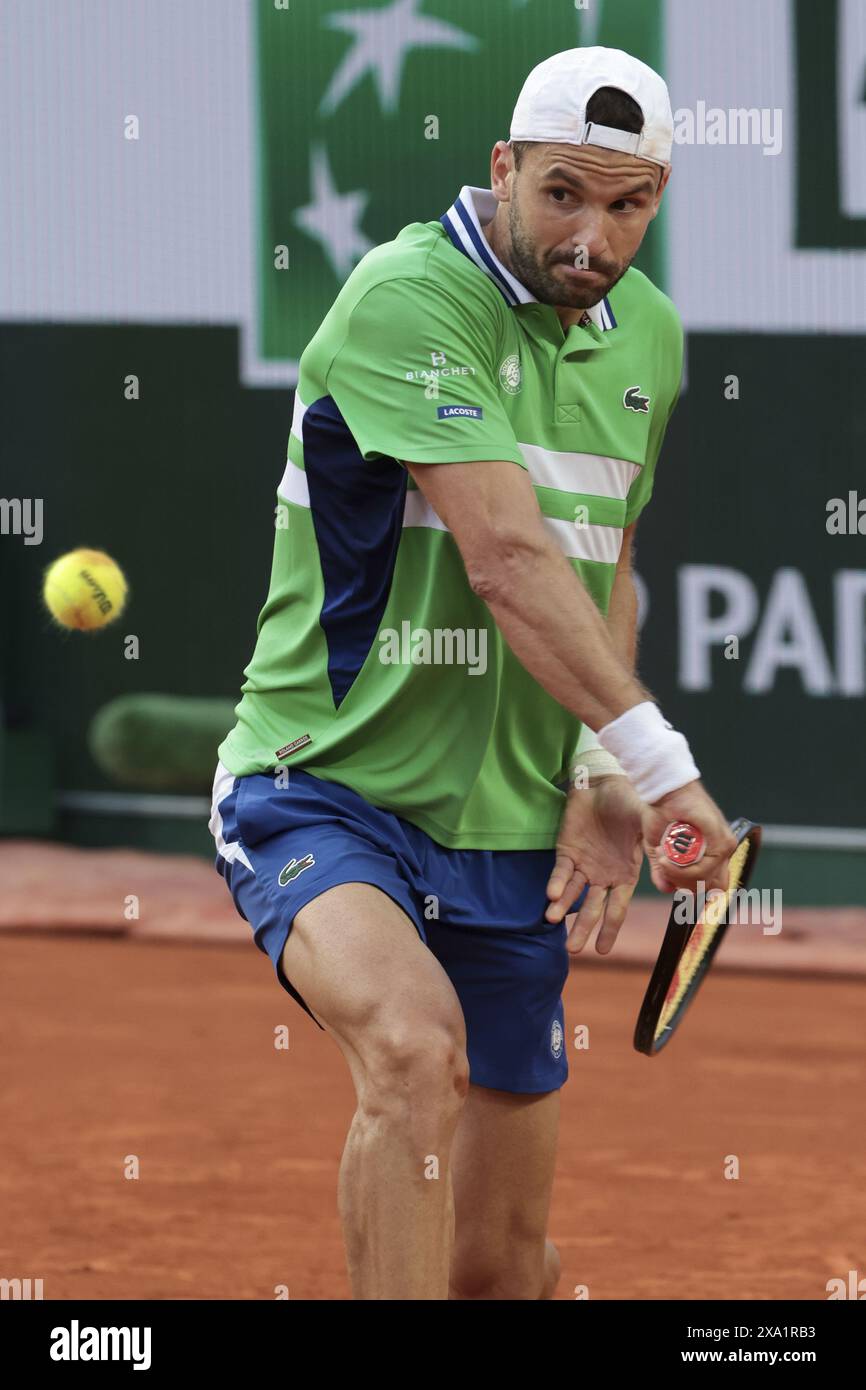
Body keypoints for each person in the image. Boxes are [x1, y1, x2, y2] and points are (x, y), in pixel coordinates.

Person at [209, 46, 736, 1301]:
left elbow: (600, 571)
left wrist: (603, 764)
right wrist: (672, 772)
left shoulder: (646, 337)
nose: (590, 239)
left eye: (626, 206)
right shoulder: (408, 296)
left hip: (510, 834)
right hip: (322, 785)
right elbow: (502, 559)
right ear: (501, 168)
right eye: (561, 194)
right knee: (408, 1046)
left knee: (500, 1272)